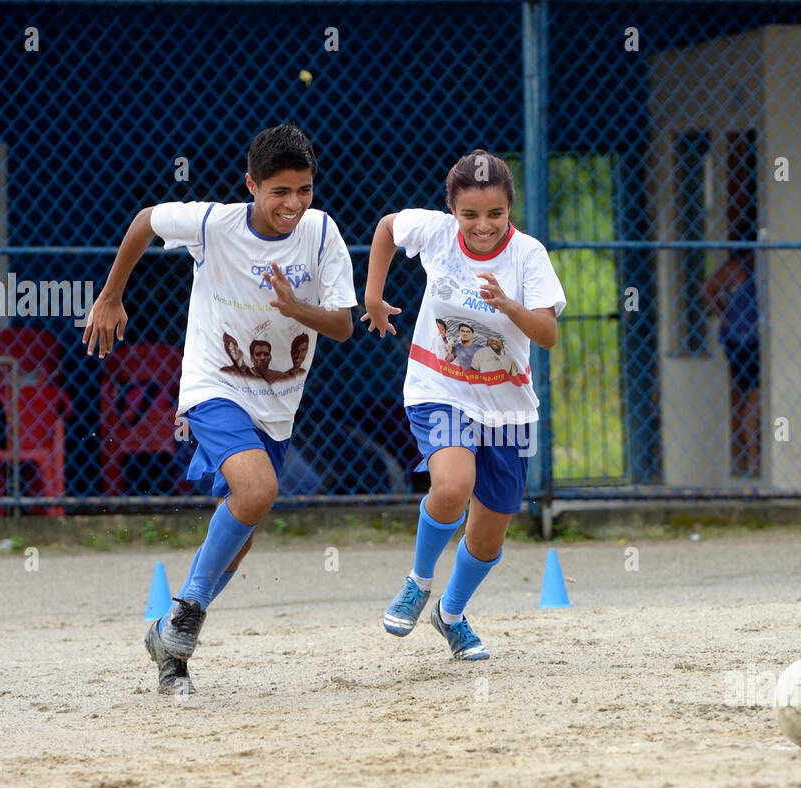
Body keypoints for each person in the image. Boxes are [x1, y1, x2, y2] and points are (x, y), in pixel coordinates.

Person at [83, 122, 356, 694]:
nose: (293, 204)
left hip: (276, 405)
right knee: (256, 491)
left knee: (244, 527)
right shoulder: (213, 223)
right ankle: (184, 625)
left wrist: (295, 306)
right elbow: (145, 221)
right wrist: (111, 296)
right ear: (251, 185)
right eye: (279, 191)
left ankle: (171, 640)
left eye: (304, 190)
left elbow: (342, 326)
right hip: (213, 387)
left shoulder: (323, 234)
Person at [361, 149, 566, 661]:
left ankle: (450, 614)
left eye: (495, 214)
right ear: (452, 209)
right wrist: (372, 295)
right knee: (453, 485)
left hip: (507, 408)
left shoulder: (528, 256)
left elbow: (547, 334)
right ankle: (418, 581)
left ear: (509, 209)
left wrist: (509, 305)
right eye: (470, 214)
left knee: (490, 533)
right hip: (439, 388)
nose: (482, 225)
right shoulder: (434, 233)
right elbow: (387, 228)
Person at [703, 251, 760, 477]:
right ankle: (753, 458)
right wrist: (724, 315)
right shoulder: (737, 267)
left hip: (753, 337)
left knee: (755, 395)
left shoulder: (758, 267)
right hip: (742, 340)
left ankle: (753, 457)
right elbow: (707, 290)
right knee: (754, 395)